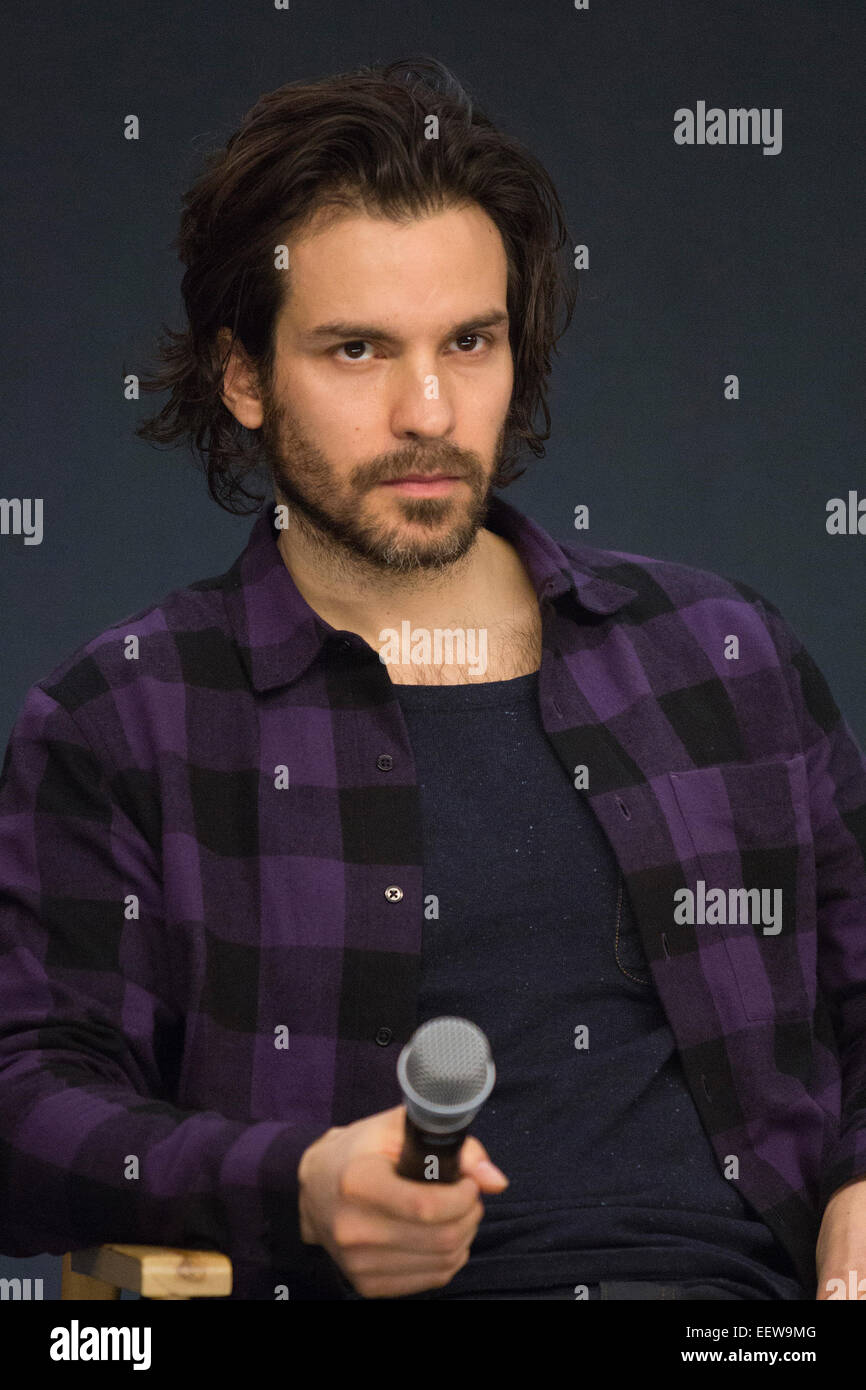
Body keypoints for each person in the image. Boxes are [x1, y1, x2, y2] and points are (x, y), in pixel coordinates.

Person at [1, 57, 864, 1302]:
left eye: (470, 341)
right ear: (243, 376)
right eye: (357, 349)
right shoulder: (125, 716)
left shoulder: (718, 654)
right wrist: (293, 1181)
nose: (428, 409)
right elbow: (26, 1108)